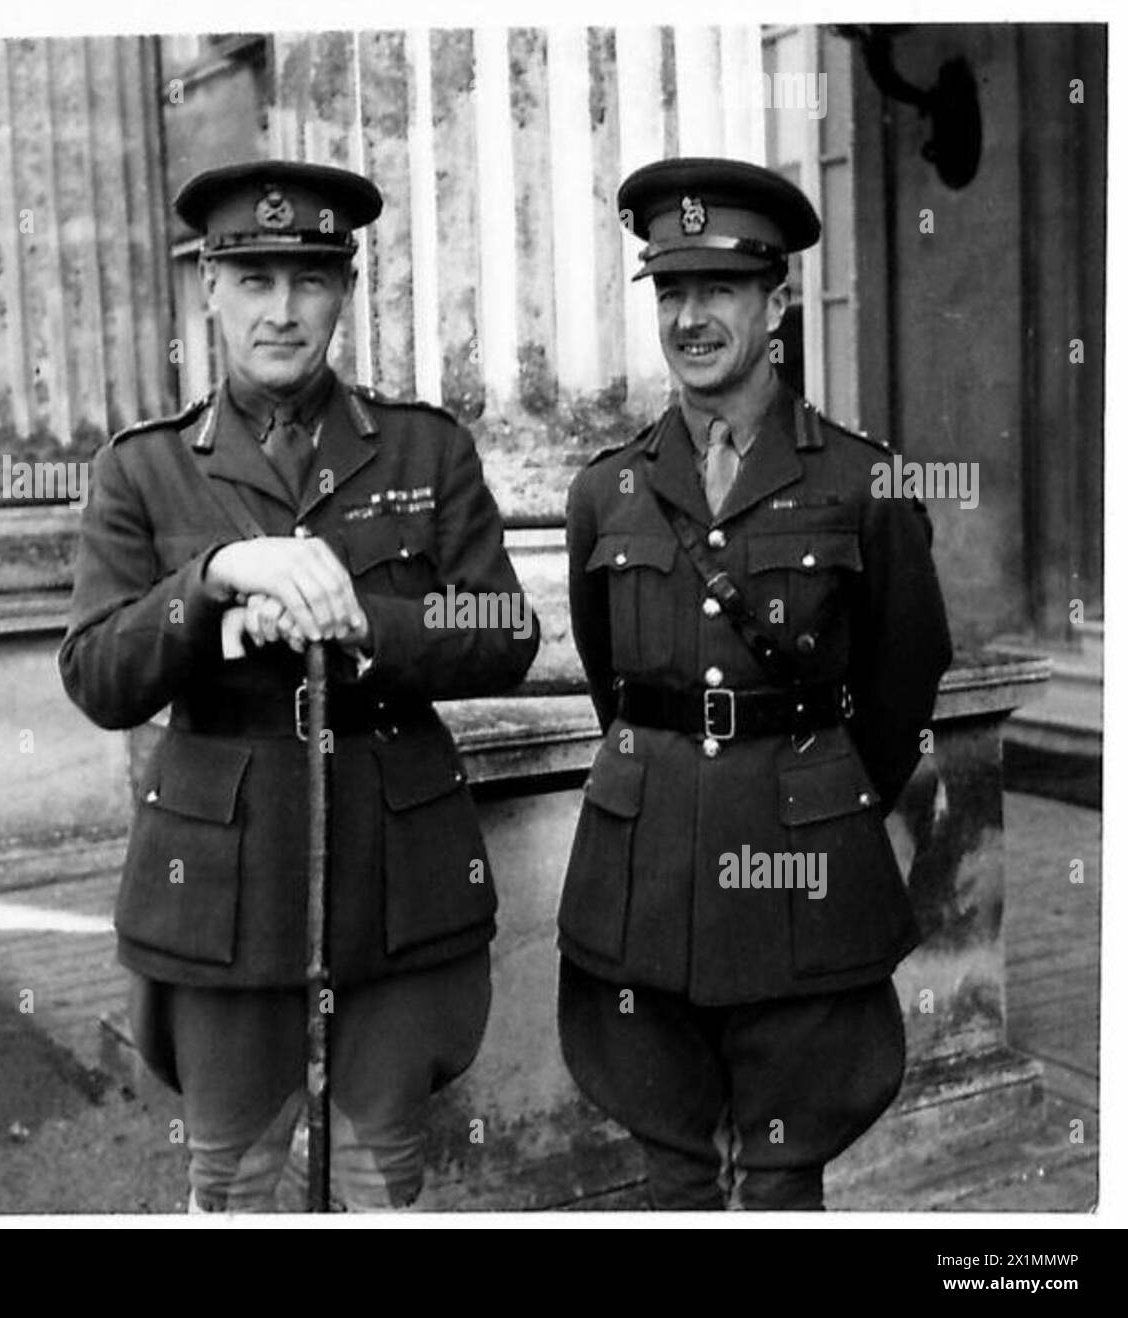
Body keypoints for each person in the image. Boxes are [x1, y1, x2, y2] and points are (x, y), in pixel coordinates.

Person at [59, 160, 539, 1212]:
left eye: (310, 280)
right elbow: (96, 672)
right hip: (224, 890)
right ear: (211, 292)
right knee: (229, 1179)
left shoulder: (423, 445)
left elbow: (505, 630)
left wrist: (365, 622)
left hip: (394, 875)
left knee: (380, 1176)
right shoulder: (143, 468)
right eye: (255, 279)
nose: (282, 310)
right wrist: (214, 578)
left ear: (346, 293)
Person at [556, 157, 952, 1210]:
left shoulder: (866, 483)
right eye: (670, 292)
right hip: (641, 870)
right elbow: (617, 687)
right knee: (669, 1168)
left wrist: (815, 791)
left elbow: (902, 685)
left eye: (717, 290)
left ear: (774, 302)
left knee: (783, 1173)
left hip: (803, 870)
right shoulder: (609, 489)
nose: (690, 318)